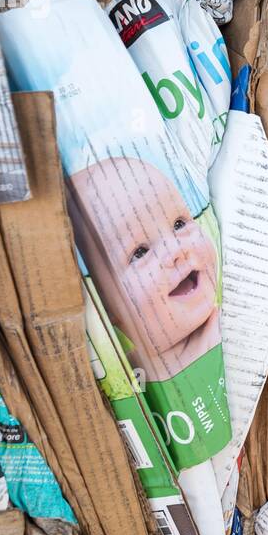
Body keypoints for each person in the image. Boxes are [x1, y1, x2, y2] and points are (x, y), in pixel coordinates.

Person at [67, 155, 221, 384]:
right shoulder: (120, 378)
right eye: (140, 252)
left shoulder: (229, 326)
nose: (176, 249)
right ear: (104, 307)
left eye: (179, 224)